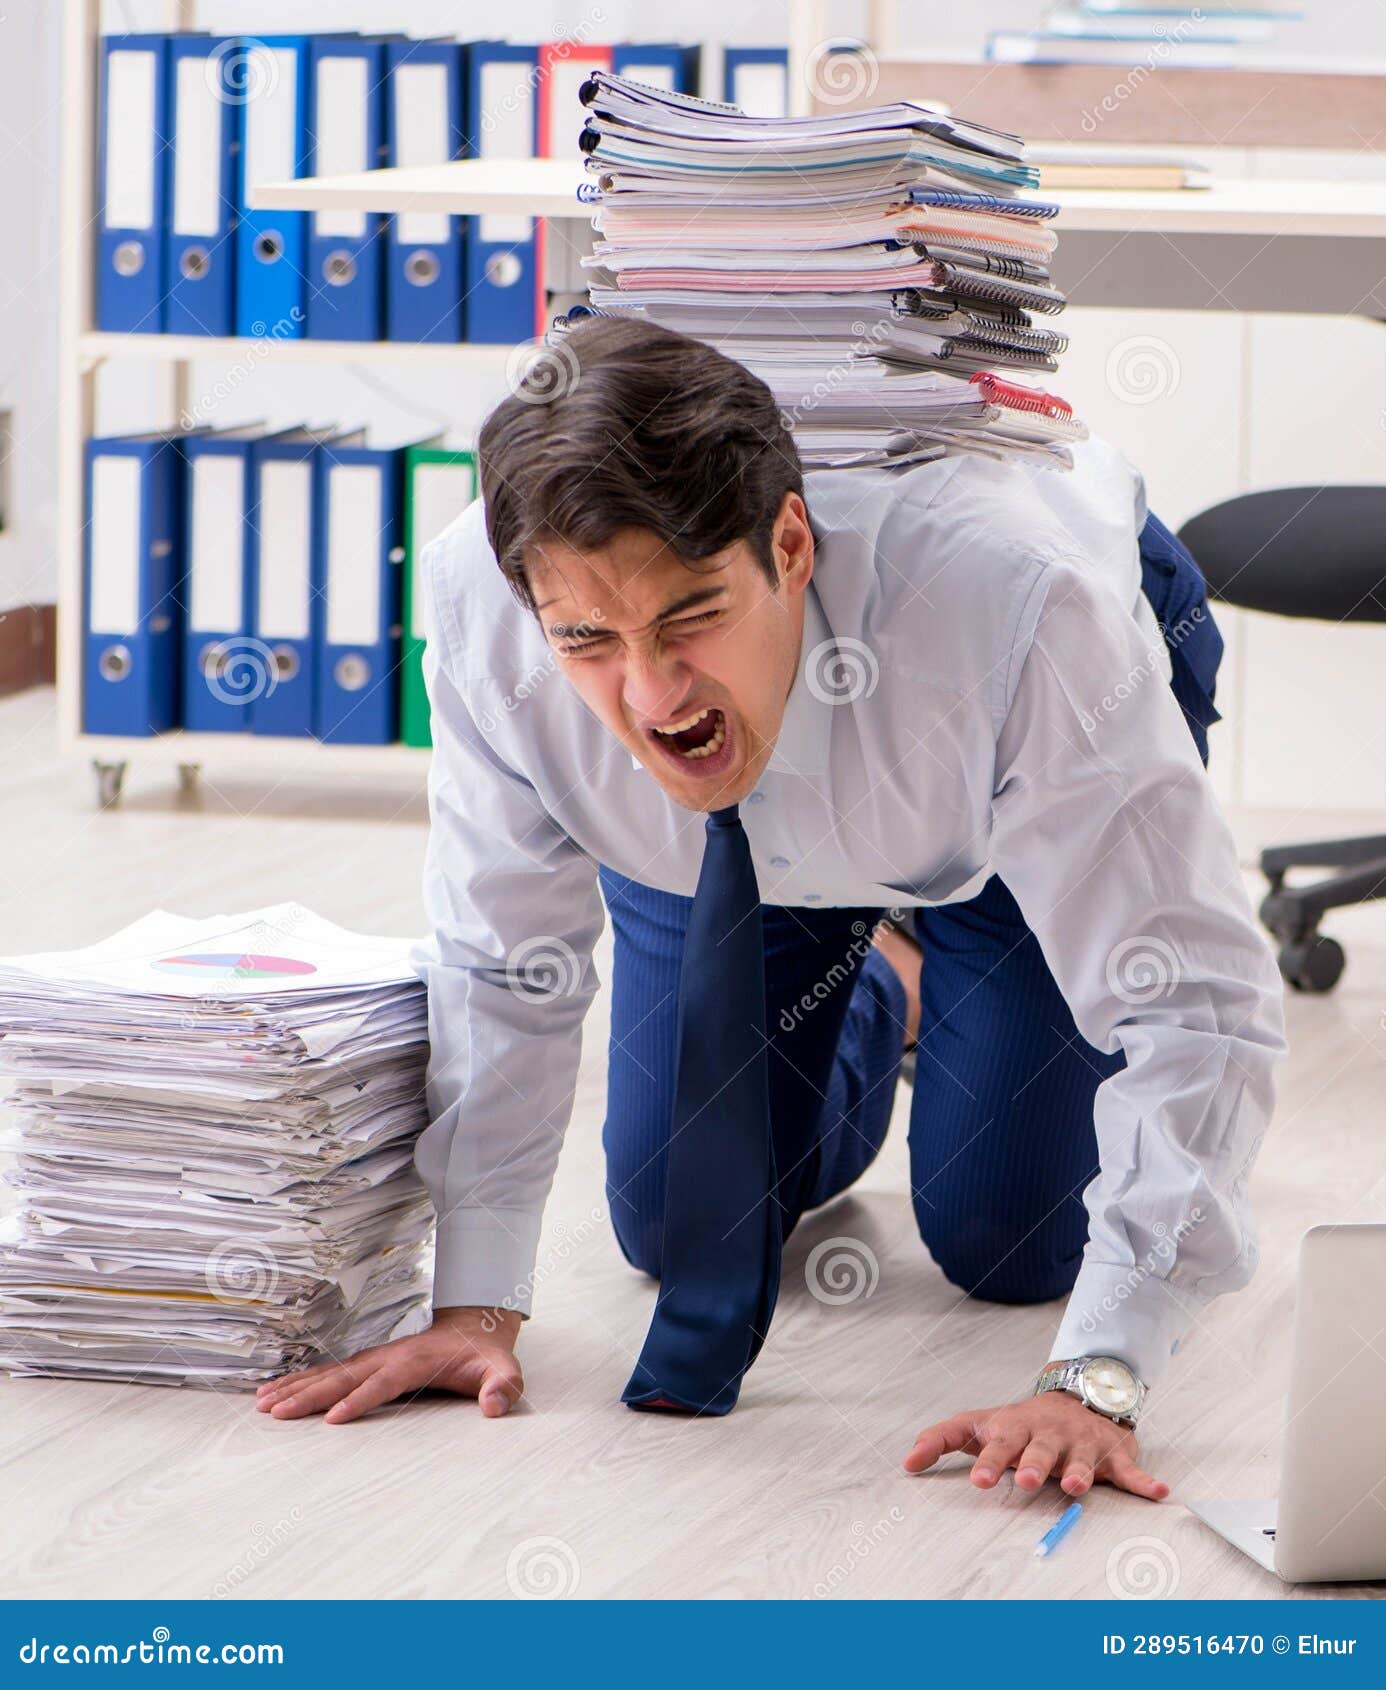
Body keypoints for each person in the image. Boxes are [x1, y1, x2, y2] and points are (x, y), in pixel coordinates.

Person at [257, 317, 1285, 1503]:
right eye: (588, 638)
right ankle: (887, 985)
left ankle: (917, 928)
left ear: (791, 545)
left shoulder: (1028, 609)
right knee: (663, 1217)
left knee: (1011, 1240)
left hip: (992, 789)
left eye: (690, 617)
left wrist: (1099, 1372)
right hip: (712, 834)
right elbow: (504, 965)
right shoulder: (489, 617)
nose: (647, 689)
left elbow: (1198, 1005)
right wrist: (476, 1301)